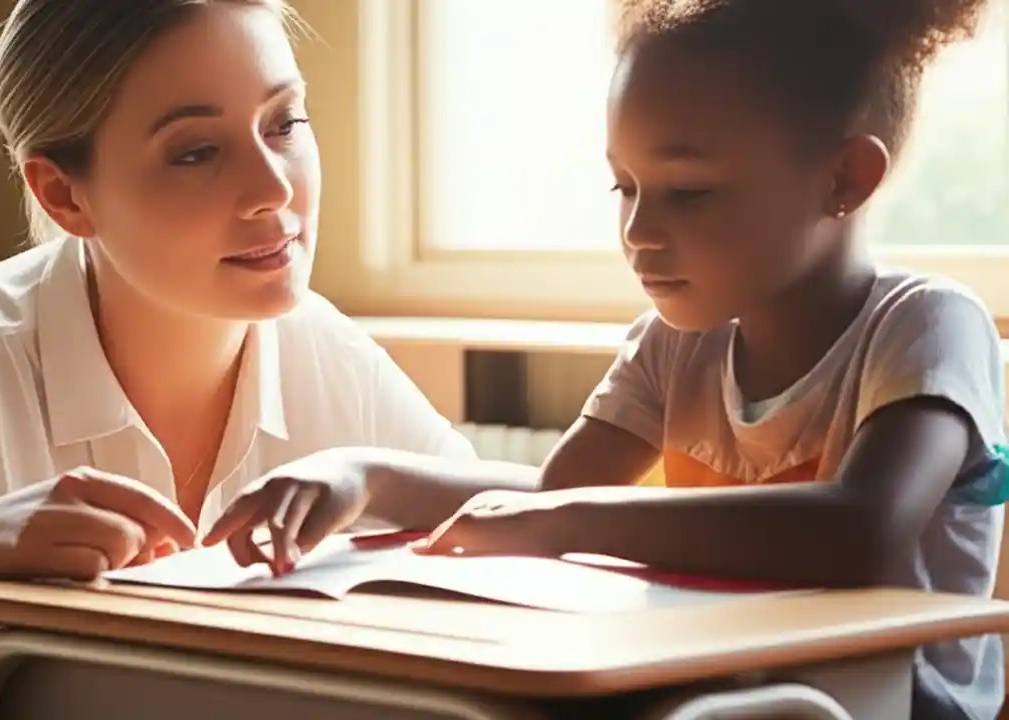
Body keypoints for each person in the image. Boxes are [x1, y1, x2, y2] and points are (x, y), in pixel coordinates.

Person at [209, 0, 1006, 717]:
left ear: (843, 177)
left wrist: (563, 522)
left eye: (688, 193)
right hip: (714, 681)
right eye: (624, 188)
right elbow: (555, 495)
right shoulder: (676, 342)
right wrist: (365, 477)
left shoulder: (927, 328)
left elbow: (858, 534)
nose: (637, 233)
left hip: (886, 703)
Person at [0, 2, 537, 718]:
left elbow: (549, 526)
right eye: (197, 152)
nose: (274, 190)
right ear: (65, 196)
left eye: (285, 121)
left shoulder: (334, 360)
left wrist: (385, 480)